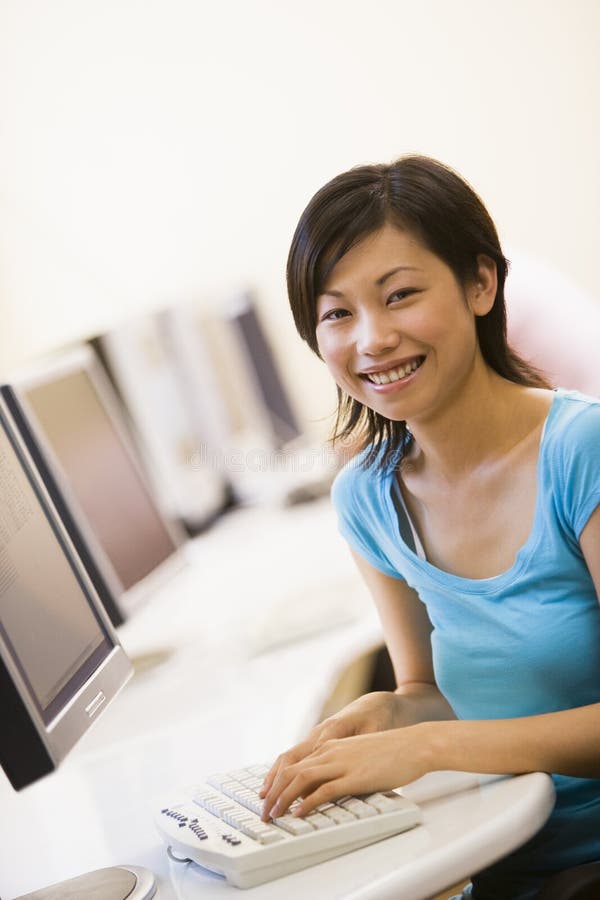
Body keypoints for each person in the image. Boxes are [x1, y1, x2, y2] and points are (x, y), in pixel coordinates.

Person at [259, 156, 600, 900]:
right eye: (337, 313)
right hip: (498, 859)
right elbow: (427, 690)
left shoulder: (583, 449)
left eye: (400, 296)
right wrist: (390, 711)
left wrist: (431, 746)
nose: (372, 339)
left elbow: (445, 733)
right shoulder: (367, 499)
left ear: (481, 284)